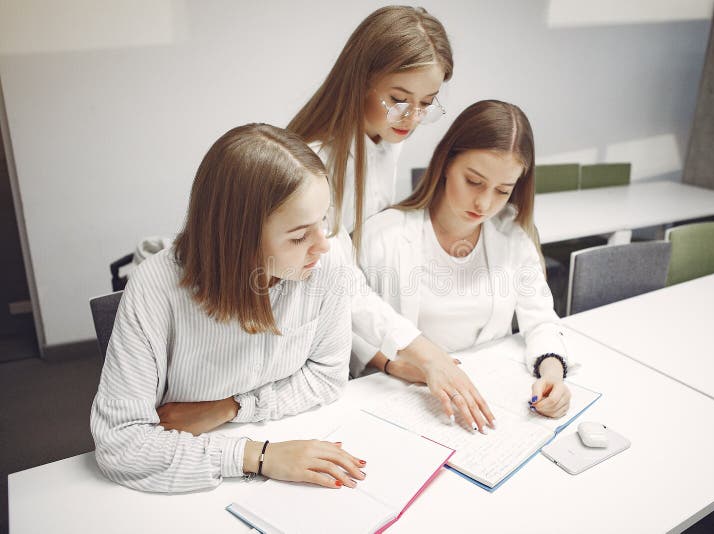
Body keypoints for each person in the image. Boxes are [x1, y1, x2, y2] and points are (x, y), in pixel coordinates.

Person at [91, 123, 367, 492]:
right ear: (239, 239)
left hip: (281, 438)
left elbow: (328, 377)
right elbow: (121, 444)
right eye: (299, 235)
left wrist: (232, 407)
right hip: (193, 469)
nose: (322, 244)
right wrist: (258, 456)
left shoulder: (325, 262)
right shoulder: (156, 288)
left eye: (324, 220)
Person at [288, 5, 496, 432]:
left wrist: (386, 359)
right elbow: (336, 280)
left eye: (426, 103)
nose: (412, 118)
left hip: (343, 341)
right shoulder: (319, 161)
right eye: (399, 100)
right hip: (294, 348)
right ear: (360, 81)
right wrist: (423, 351)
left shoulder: (383, 139)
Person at [356, 100, 572, 418]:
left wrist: (552, 376)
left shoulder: (512, 235)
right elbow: (346, 323)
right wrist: (392, 365)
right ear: (446, 162)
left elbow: (540, 320)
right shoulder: (383, 235)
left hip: (489, 393)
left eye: (503, 190)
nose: (484, 203)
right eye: (473, 181)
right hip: (406, 398)